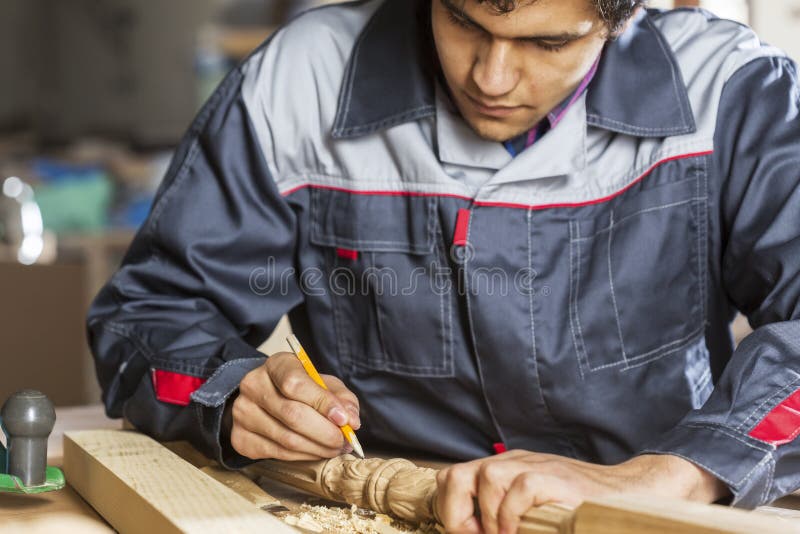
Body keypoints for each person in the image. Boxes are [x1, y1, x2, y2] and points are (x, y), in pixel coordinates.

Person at [87, 0, 800, 532]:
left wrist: (673, 477)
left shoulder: (733, 91)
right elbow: (148, 316)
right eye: (462, 20)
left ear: (621, 16)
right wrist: (232, 392)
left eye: (547, 41)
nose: (491, 76)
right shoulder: (300, 81)